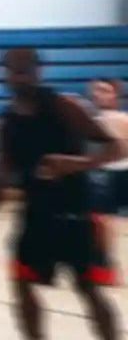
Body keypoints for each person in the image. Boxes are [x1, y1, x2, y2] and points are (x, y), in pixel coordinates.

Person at [0, 48, 127, 340]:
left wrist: (77, 163)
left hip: (76, 213)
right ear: (3, 75)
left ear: (38, 71)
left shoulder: (64, 106)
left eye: (25, 70)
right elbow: (1, 178)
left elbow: (116, 147)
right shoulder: (5, 123)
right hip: (36, 215)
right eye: (13, 71)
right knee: (22, 287)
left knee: (88, 290)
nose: (19, 77)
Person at [87, 77, 128, 276]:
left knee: (104, 220)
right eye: (97, 90)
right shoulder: (89, 120)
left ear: (115, 94)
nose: (99, 94)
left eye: (105, 90)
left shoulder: (122, 119)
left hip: (120, 173)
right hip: (102, 175)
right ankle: (105, 264)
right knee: (100, 219)